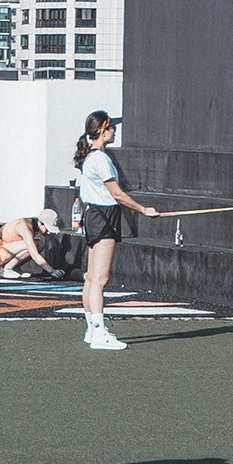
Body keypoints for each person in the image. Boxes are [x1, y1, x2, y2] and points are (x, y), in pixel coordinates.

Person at [73, 112, 155, 351]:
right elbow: (117, 194)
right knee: (100, 278)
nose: (115, 132)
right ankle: (98, 332)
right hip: (104, 216)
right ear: (103, 131)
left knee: (91, 277)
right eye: (112, 128)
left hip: (95, 215)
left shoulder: (91, 156)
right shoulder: (101, 160)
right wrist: (143, 210)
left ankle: (92, 328)